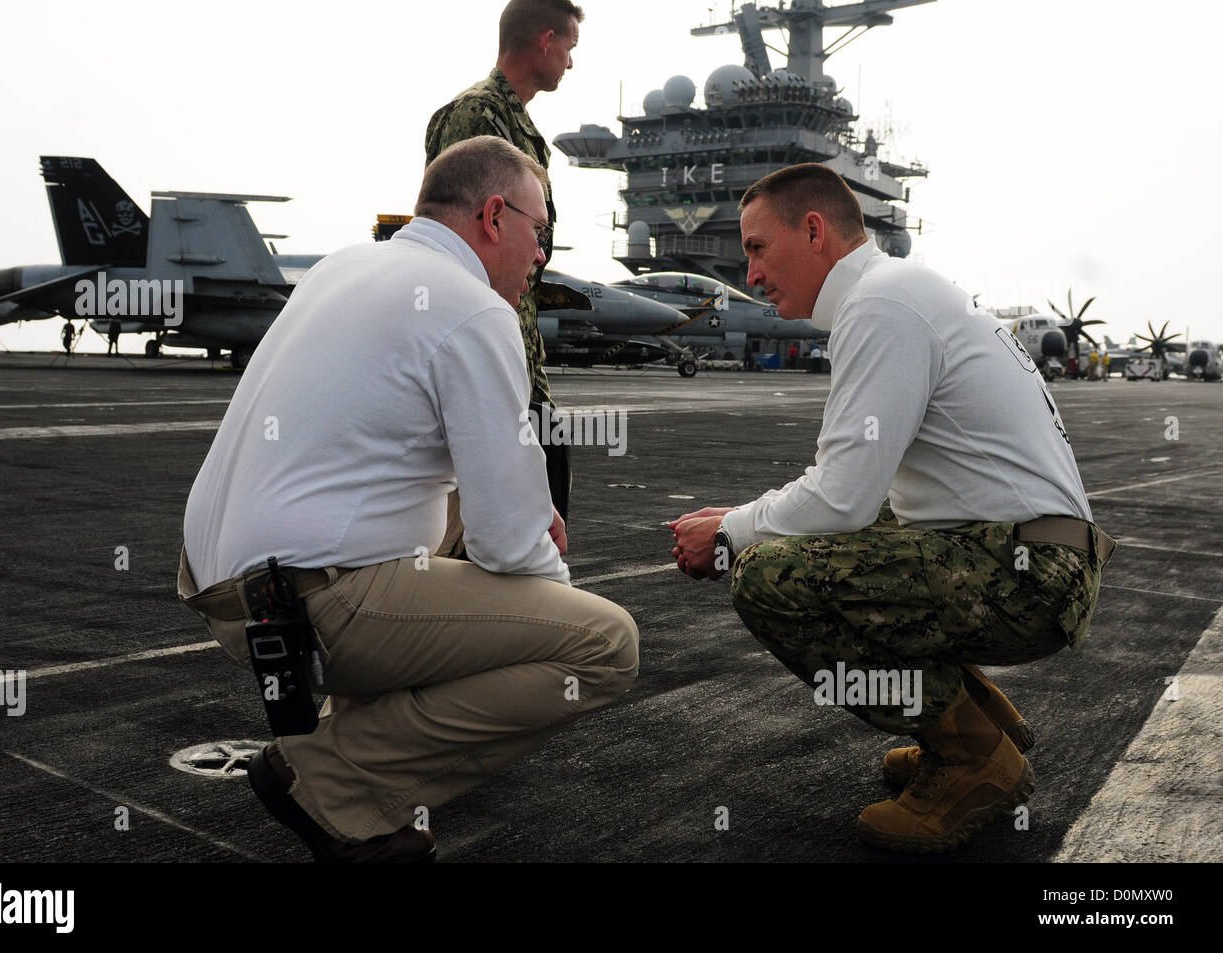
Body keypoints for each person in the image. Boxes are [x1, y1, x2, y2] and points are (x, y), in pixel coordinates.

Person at [177, 137, 638, 863]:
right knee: (605, 646)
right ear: (494, 216)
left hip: (227, 583)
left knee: (451, 505)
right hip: (314, 600)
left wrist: (505, 511)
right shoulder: (474, 310)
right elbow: (512, 543)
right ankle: (332, 777)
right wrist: (547, 617)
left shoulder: (345, 266)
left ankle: (353, 749)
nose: (542, 255)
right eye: (540, 231)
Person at [668, 163, 1115, 854]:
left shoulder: (879, 304)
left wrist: (728, 532)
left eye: (757, 248)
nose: (749, 273)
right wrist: (744, 514)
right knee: (818, 535)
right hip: (1036, 552)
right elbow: (854, 491)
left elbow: (840, 497)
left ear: (814, 231)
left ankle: (970, 754)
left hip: (1032, 575)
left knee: (769, 574)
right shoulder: (900, 290)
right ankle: (967, 724)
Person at [425, 0, 583, 526]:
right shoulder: (477, 116)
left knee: (546, 495)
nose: (570, 62)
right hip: (487, 356)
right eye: (569, 48)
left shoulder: (511, 118)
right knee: (508, 529)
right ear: (545, 41)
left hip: (518, 355)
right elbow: (467, 244)